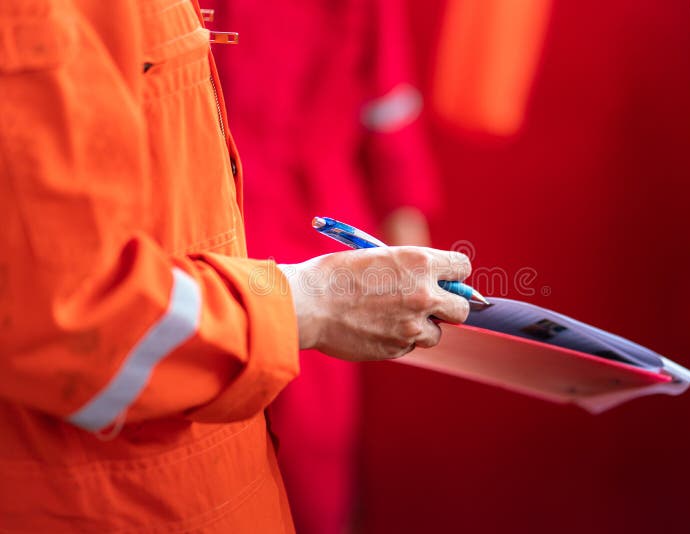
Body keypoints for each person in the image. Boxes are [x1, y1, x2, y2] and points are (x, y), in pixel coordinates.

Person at [0, 1, 470, 532]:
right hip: (213, 274)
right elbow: (68, 306)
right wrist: (309, 303)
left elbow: (388, 101)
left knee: (312, 469)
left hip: (314, 255)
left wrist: (408, 260)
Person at [213, 1, 441, 531]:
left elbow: (389, 105)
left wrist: (420, 261)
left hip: (320, 245)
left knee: (308, 462)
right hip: (207, 238)